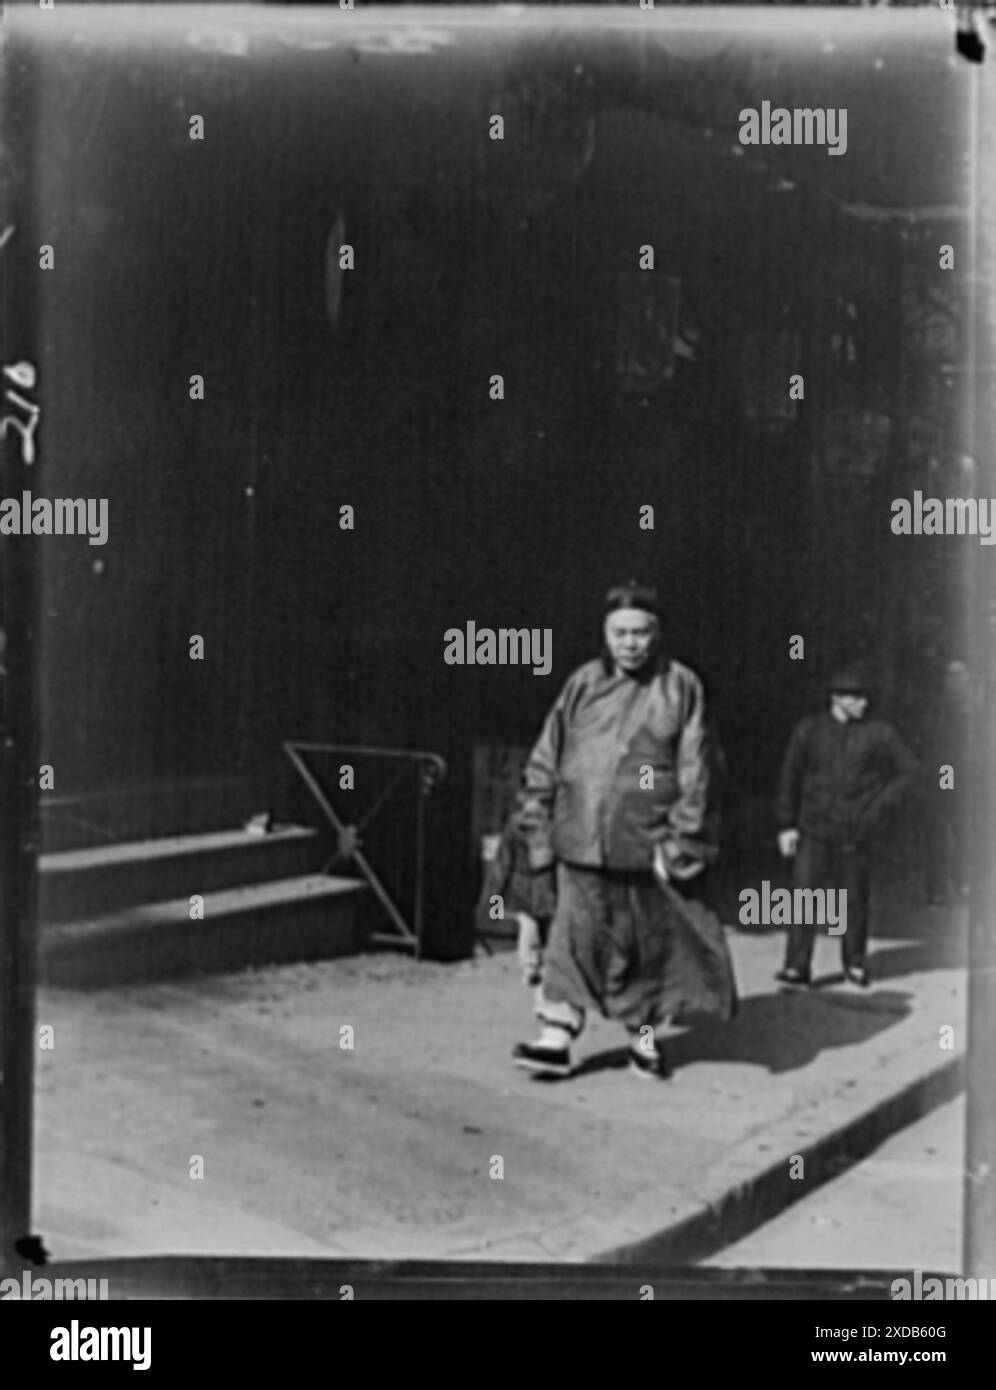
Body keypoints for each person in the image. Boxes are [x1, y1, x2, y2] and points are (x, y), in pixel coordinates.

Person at [512, 582, 737, 1080]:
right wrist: (541, 832)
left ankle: (644, 1037)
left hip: (645, 849)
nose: (630, 644)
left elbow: (699, 774)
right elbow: (545, 761)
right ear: (605, 634)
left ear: (656, 634)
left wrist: (678, 845)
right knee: (571, 942)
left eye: (640, 633)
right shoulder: (582, 685)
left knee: (644, 951)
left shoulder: (681, 687)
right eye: (620, 633)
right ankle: (555, 1035)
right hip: (579, 844)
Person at [774, 664, 918, 989]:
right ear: (836, 698)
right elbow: (790, 777)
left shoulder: (880, 733)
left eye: (865, 697)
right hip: (813, 829)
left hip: (856, 830)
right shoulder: (809, 730)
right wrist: (786, 825)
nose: (863, 704)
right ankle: (797, 966)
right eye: (856, 697)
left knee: (853, 900)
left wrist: (878, 806)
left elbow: (909, 770)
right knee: (803, 898)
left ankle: (854, 963)